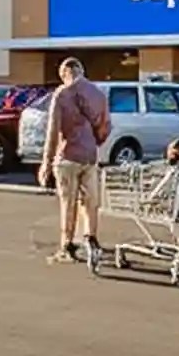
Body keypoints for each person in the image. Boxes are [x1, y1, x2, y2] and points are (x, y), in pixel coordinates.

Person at [38, 57, 111, 264]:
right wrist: (93, 141)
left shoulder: (61, 94)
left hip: (67, 157)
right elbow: (105, 127)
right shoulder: (98, 93)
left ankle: (67, 244)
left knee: (68, 202)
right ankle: (91, 238)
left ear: (66, 72)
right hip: (89, 156)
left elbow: (53, 131)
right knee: (90, 202)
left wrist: (46, 163)